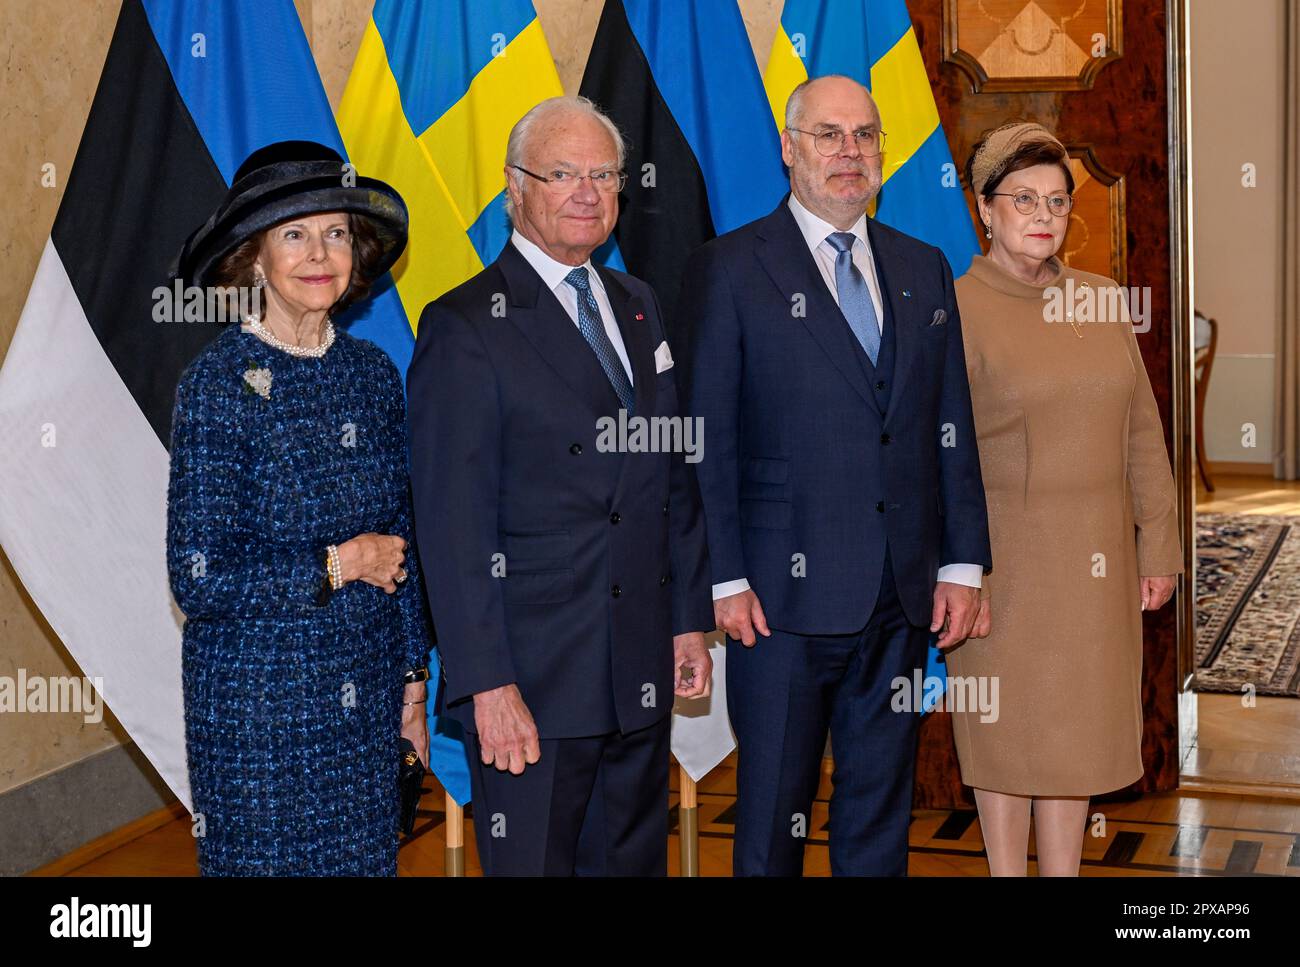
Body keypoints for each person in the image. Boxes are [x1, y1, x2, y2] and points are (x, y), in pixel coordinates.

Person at [677, 75, 992, 876]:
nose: (849, 153)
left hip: (900, 596)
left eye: (865, 136)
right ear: (790, 149)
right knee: (772, 823)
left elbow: (947, 426)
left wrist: (961, 564)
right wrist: (723, 579)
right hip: (777, 606)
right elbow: (703, 437)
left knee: (879, 813)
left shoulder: (925, 267)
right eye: (828, 135)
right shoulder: (730, 269)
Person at [407, 96, 715, 876]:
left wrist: (685, 622)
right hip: (532, 686)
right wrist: (487, 683)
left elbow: (668, 481)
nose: (588, 192)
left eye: (604, 175)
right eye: (563, 174)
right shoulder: (465, 325)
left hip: (636, 672)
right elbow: (452, 528)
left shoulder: (638, 305)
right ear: (516, 187)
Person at [167, 140, 431, 875]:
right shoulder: (218, 384)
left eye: (336, 232)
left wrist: (413, 682)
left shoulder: (372, 373)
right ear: (253, 258)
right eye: (294, 233)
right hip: (262, 717)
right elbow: (201, 577)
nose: (320, 253)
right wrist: (338, 564)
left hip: (366, 701)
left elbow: (400, 542)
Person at [946, 121, 1182, 876]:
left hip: (1098, 569)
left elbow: (1143, 431)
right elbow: (934, 459)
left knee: (1075, 741)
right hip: (1003, 575)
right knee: (1008, 740)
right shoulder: (953, 309)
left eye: (1057, 199)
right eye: (1024, 199)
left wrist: (1162, 543)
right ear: (986, 209)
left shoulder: (1102, 297)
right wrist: (957, 572)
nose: (1044, 215)